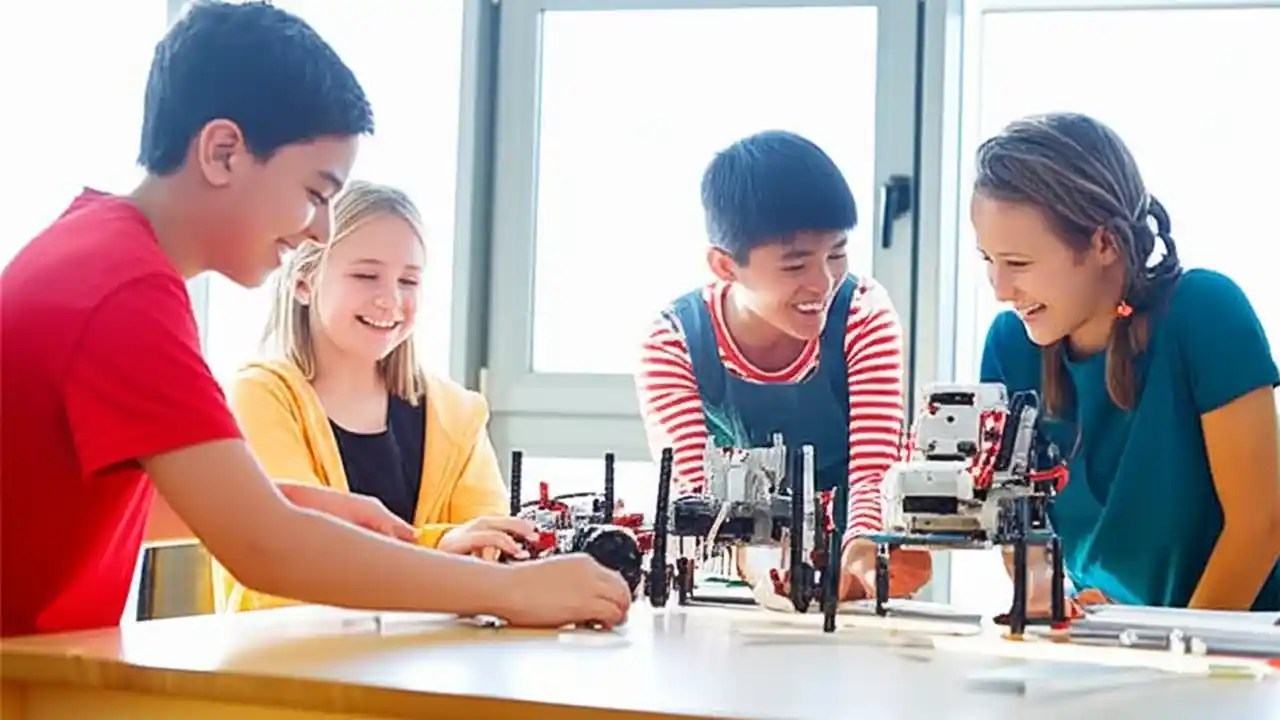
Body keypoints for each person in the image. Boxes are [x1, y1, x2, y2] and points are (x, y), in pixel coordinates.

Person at [0, 0, 628, 638]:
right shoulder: (125, 292)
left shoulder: (92, 248)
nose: (319, 228)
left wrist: (301, 505)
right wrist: (513, 590)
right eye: (315, 194)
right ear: (222, 152)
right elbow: (264, 549)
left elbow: (121, 506)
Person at [974, 111, 1280, 611]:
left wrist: (1173, 653)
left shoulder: (1205, 312)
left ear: (1104, 244)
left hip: (1238, 652)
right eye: (987, 260)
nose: (1001, 291)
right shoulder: (1011, 345)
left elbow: (1261, 524)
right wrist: (1049, 597)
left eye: (1019, 263)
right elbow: (1018, 526)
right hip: (1113, 646)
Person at [634, 130, 932, 602]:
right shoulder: (675, 340)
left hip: (848, 575)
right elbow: (693, 498)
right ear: (726, 266)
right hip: (733, 582)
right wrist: (759, 563)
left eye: (837, 253)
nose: (824, 282)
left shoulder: (862, 314)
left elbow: (874, 471)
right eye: (795, 266)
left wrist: (863, 556)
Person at [213, 180, 532, 612]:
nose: (390, 299)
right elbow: (293, 555)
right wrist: (439, 548)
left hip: (425, 665)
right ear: (304, 283)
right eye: (366, 276)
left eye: (409, 280)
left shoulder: (458, 414)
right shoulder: (261, 396)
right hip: (290, 666)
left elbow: (488, 554)